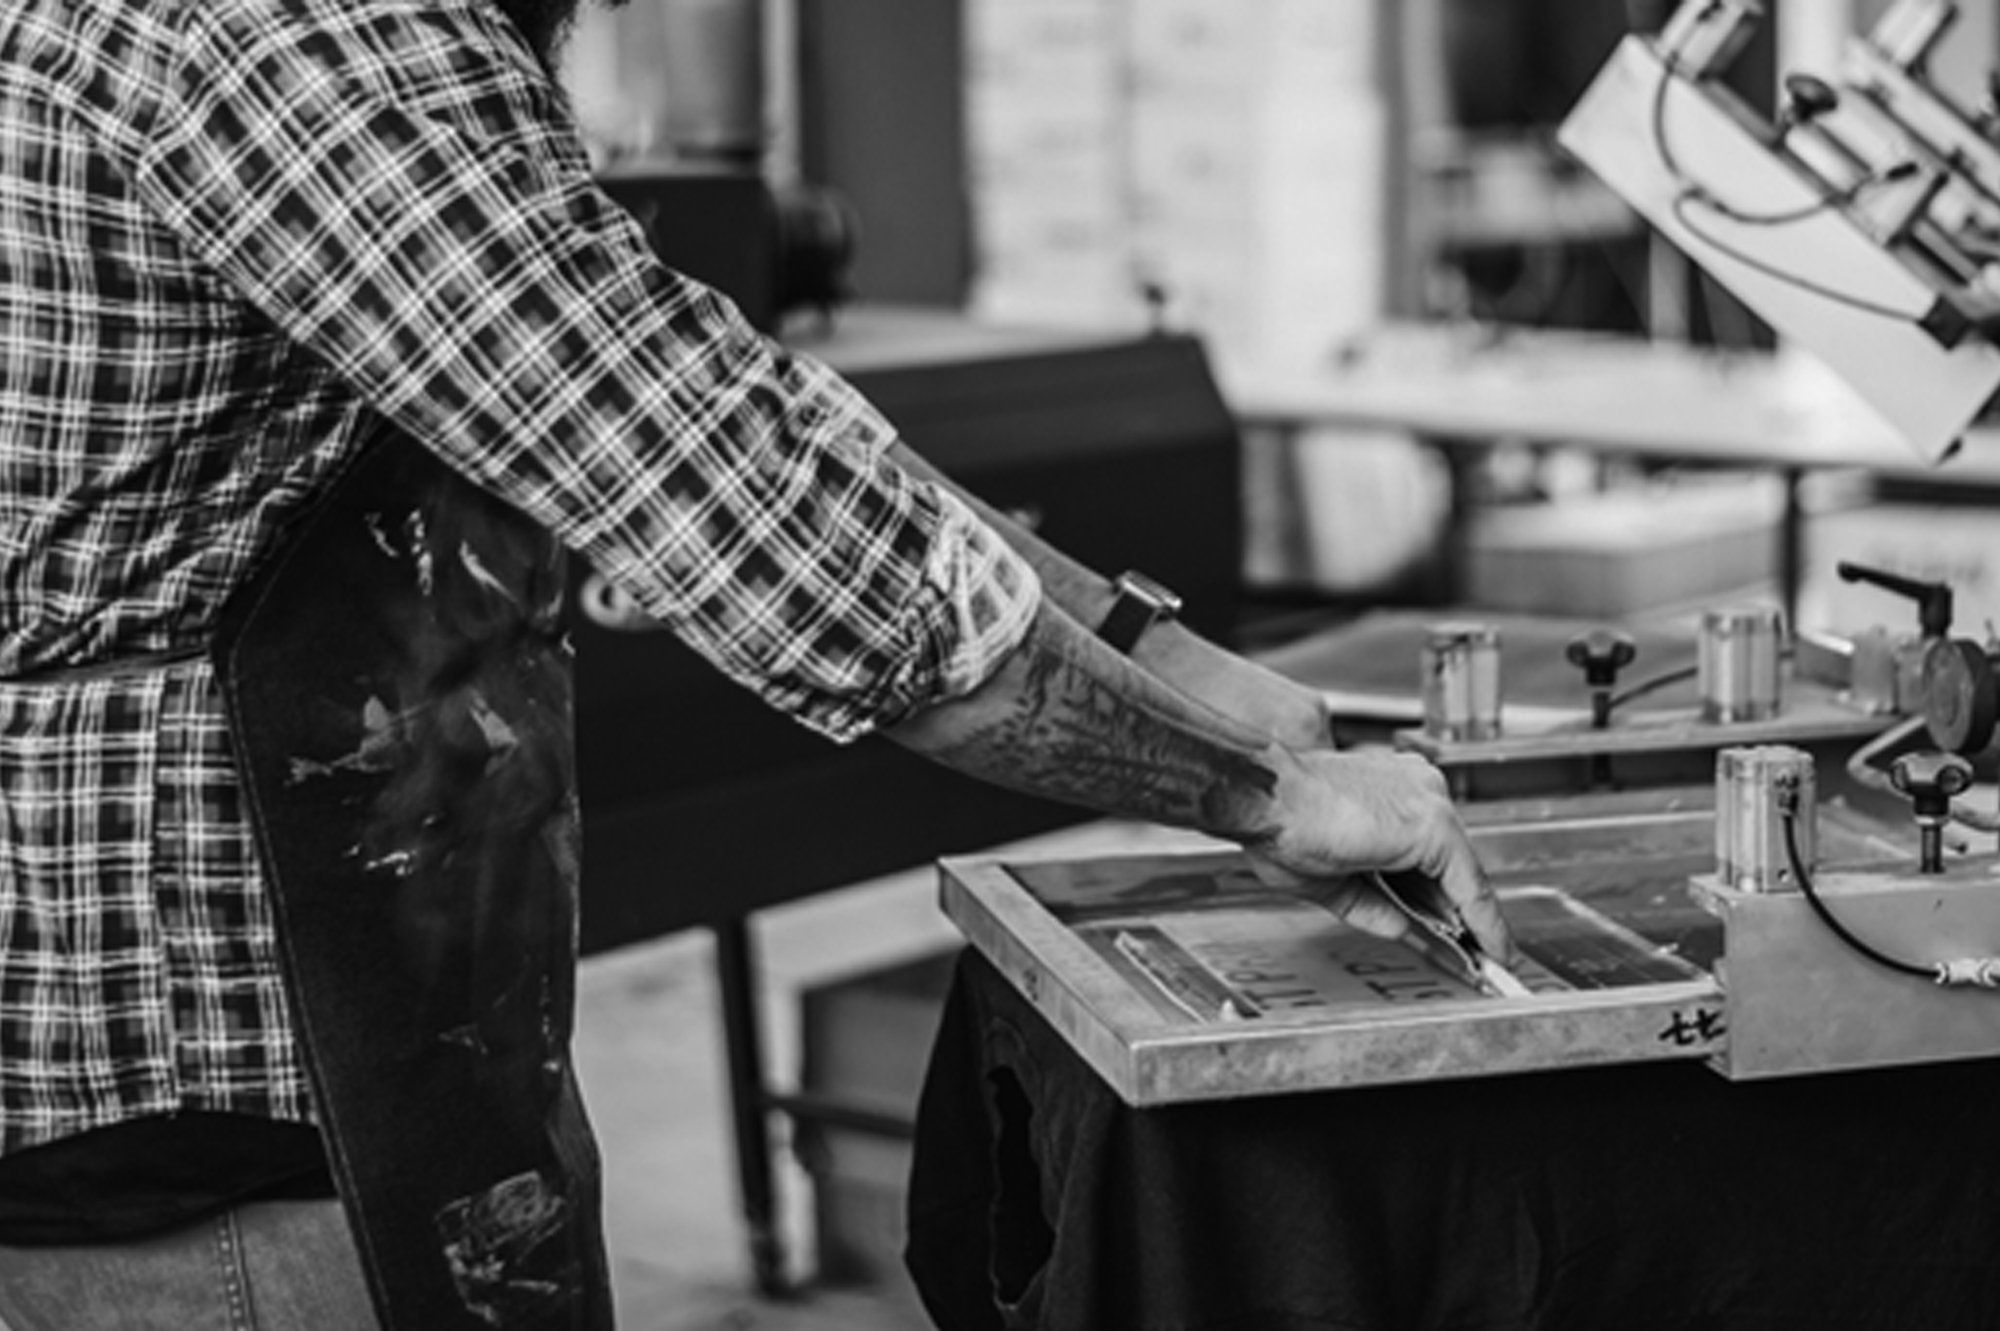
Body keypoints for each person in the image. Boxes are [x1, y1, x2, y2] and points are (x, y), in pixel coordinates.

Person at [0, 0, 1510, 1327]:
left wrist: (1158, 651)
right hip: (213, 1181)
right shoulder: (299, 32)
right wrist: (1277, 797)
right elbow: (792, 541)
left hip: (335, 1090)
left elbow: (743, 414)